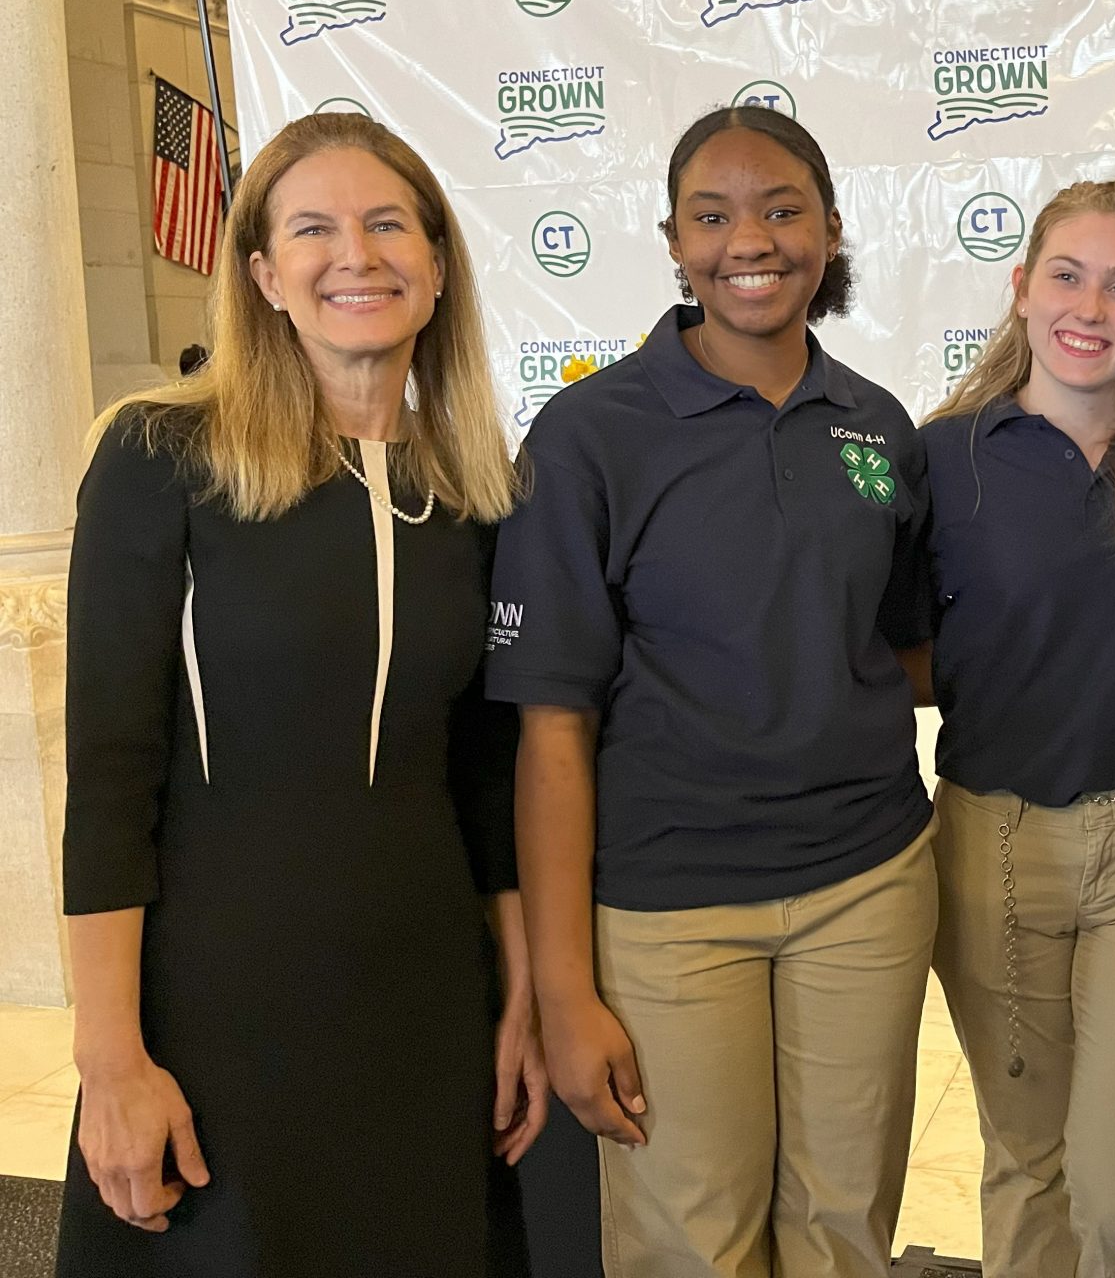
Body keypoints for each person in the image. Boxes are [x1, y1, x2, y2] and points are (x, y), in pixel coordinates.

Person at [58, 111, 544, 1278]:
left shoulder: (476, 486)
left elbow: (485, 778)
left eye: (388, 225)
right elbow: (110, 778)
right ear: (265, 275)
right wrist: (111, 1063)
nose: (356, 256)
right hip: (221, 1006)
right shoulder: (159, 456)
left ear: (435, 265)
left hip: (425, 998)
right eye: (314, 229)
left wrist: (521, 1000)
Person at [490, 105, 937, 1278]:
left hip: (868, 888)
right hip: (669, 913)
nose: (752, 238)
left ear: (831, 233)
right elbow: (549, 733)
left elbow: (905, 653)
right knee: (695, 1242)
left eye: (783, 208)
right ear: (675, 245)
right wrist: (561, 989)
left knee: (844, 1231)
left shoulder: (876, 428)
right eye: (713, 215)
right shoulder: (592, 436)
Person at [912, 181, 1115, 1278]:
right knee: (1027, 1163)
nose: (1090, 306)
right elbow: (886, 646)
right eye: (1067, 274)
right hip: (992, 843)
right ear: (1020, 287)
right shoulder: (944, 459)